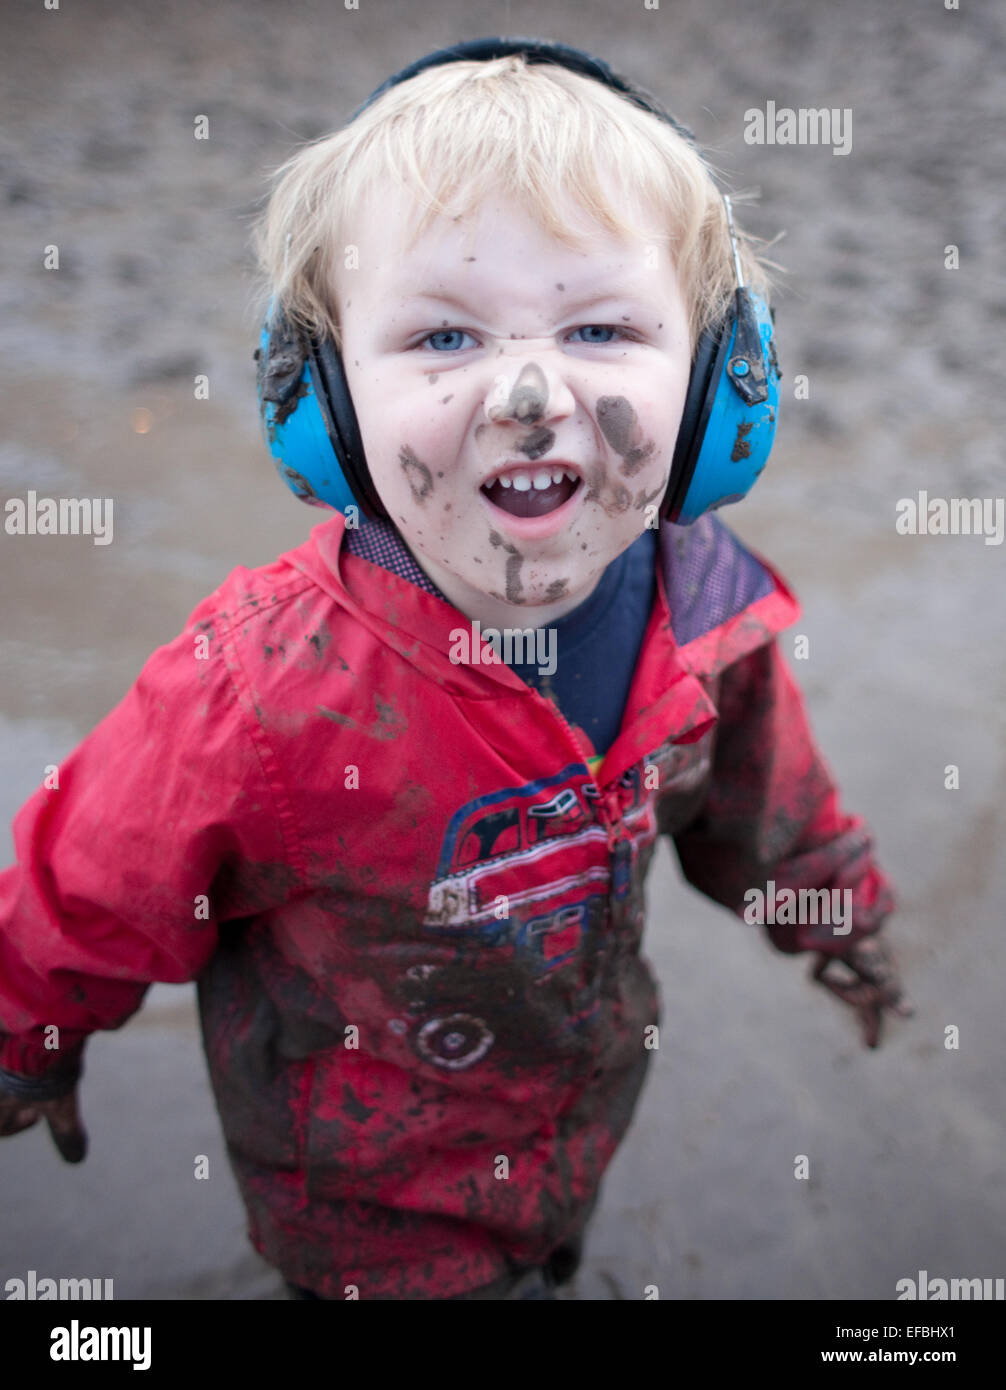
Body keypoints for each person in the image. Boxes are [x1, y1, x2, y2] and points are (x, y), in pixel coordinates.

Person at [0, 39, 912, 1301]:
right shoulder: (260, 687)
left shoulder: (704, 607)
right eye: (440, 336)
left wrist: (834, 912)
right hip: (359, 1195)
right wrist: (26, 1040)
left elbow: (764, 798)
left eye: (601, 326)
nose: (528, 395)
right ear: (319, 398)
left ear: (717, 382)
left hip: (580, 1107)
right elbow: (90, 884)